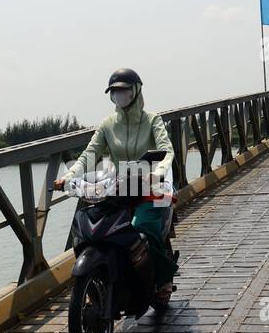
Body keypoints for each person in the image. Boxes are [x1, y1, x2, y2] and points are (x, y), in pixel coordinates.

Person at [54, 68, 178, 303]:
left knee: (144, 228)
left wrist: (157, 173)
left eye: (124, 90)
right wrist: (68, 177)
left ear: (136, 91)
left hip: (148, 185)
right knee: (90, 227)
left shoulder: (152, 120)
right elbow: (89, 154)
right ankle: (99, 276)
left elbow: (166, 150)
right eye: (115, 92)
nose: (119, 95)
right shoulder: (108, 124)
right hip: (118, 187)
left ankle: (162, 279)